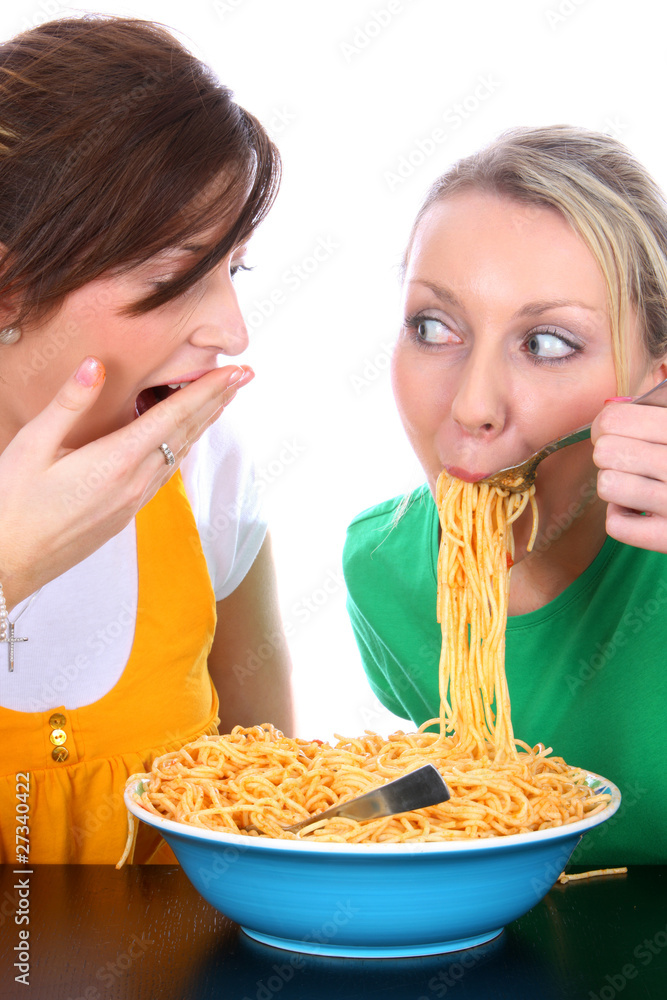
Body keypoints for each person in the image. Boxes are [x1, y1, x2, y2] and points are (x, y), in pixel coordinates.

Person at [0, 16, 294, 864]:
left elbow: (272, 811)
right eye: (174, 279)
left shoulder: (210, 471)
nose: (232, 333)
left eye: (233, 271)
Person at [344, 125, 667, 866]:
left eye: (548, 342)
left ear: (655, 378)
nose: (471, 406)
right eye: (433, 326)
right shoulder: (381, 570)